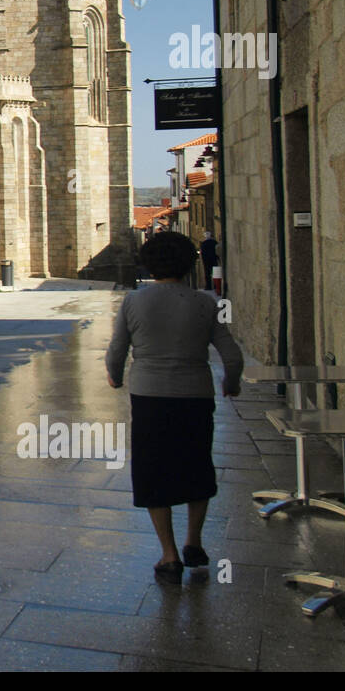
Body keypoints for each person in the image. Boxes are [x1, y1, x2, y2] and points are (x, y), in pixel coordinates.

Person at [104, 230, 242, 582]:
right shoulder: (204, 303)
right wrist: (231, 382)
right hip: (195, 394)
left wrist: (115, 376)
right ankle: (193, 540)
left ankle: (168, 555)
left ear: (149, 263)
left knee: (153, 471)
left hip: (150, 396)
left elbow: (117, 348)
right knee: (197, 463)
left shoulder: (135, 301)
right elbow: (231, 353)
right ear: (188, 263)